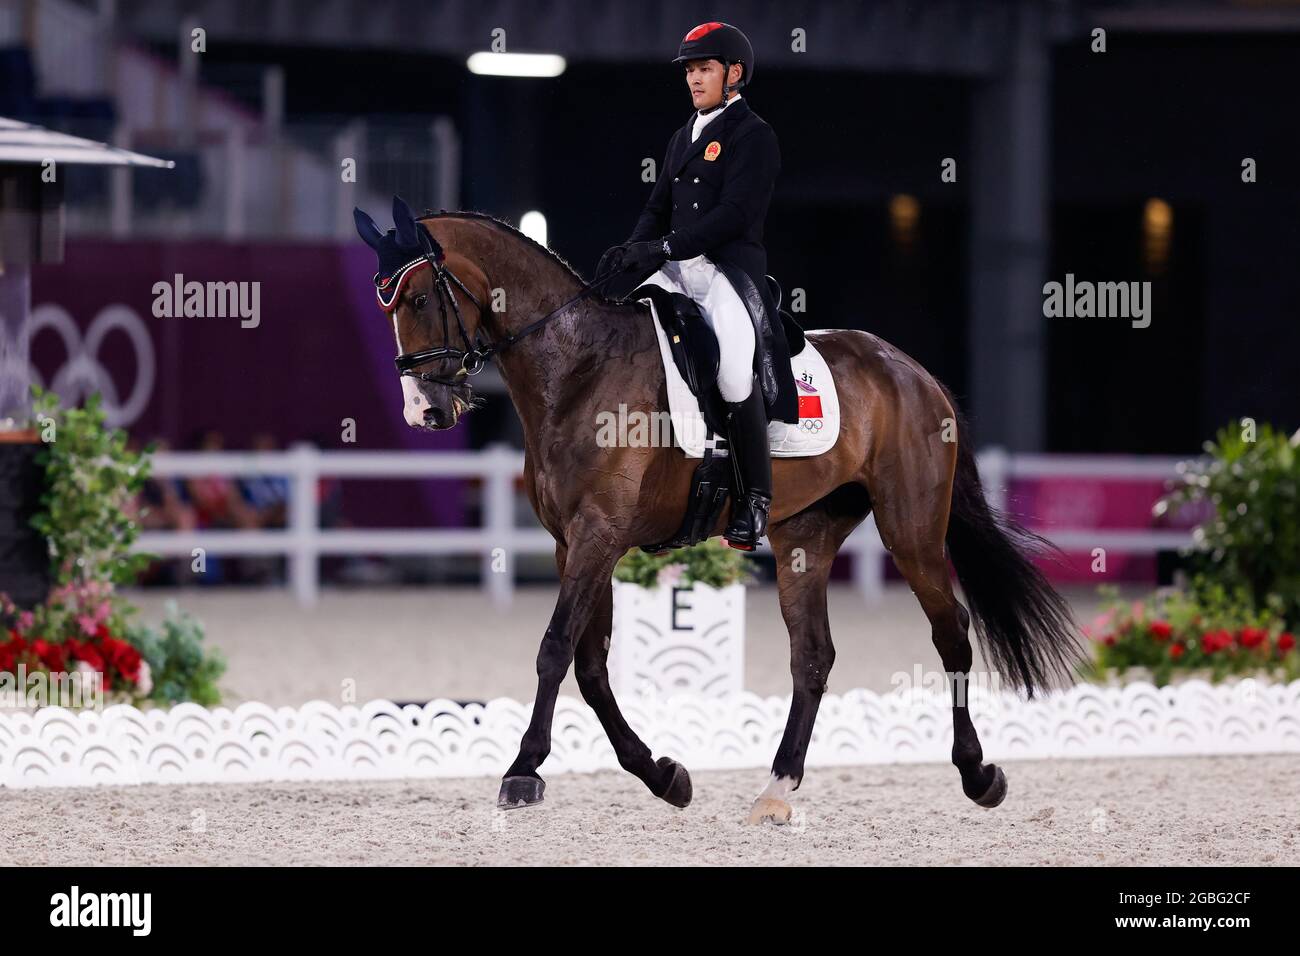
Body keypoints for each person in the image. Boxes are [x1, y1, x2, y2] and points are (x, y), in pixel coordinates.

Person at [599, 21, 799, 550]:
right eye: (689, 70)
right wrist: (629, 256)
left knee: (734, 372)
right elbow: (657, 207)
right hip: (677, 270)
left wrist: (662, 248)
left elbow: (735, 214)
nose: (693, 79)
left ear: (734, 73)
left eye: (704, 68)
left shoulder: (754, 136)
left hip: (727, 272)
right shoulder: (680, 137)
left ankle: (755, 499)